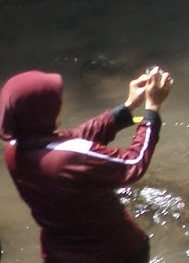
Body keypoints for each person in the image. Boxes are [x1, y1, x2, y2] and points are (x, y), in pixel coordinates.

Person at [2, 66, 176, 263]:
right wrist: (152, 110)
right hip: (116, 255)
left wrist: (127, 107)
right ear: (41, 113)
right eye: (54, 101)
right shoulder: (68, 158)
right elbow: (133, 163)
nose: (61, 104)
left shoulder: (15, 150)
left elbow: (74, 138)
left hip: (59, 256)